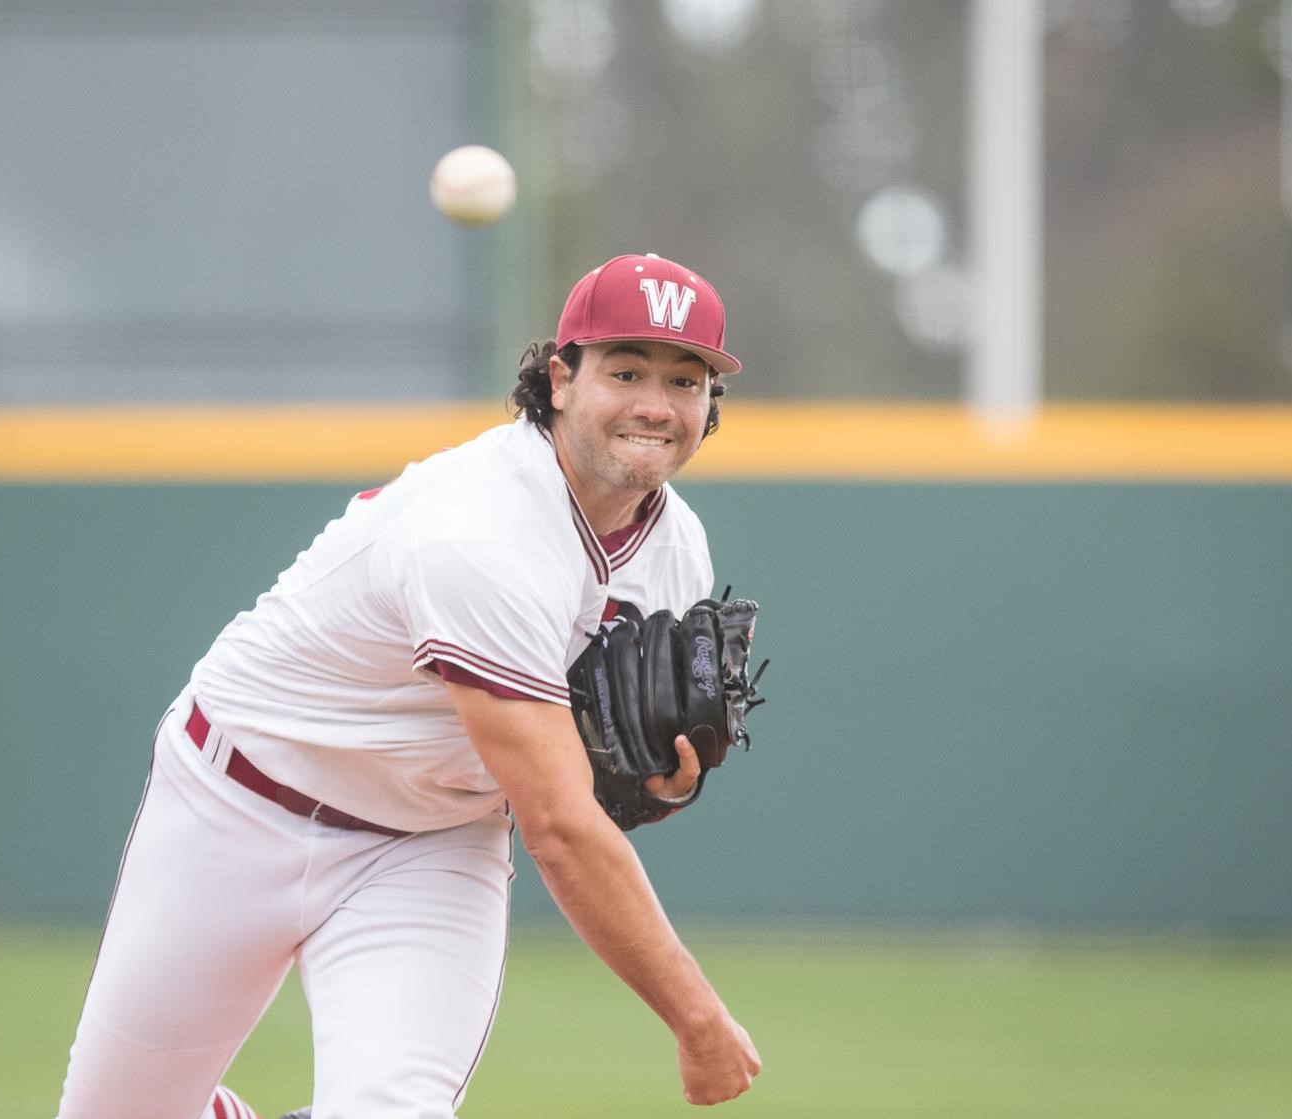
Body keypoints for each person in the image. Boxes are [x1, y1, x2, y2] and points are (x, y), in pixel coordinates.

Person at [55, 254, 762, 1118]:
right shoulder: (479, 531)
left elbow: (579, 778)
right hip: (236, 802)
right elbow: (561, 829)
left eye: (685, 381)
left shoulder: (676, 549)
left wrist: (657, 782)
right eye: (626, 371)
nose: (657, 403)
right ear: (560, 379)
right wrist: (696, 1018)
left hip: (429, 842)